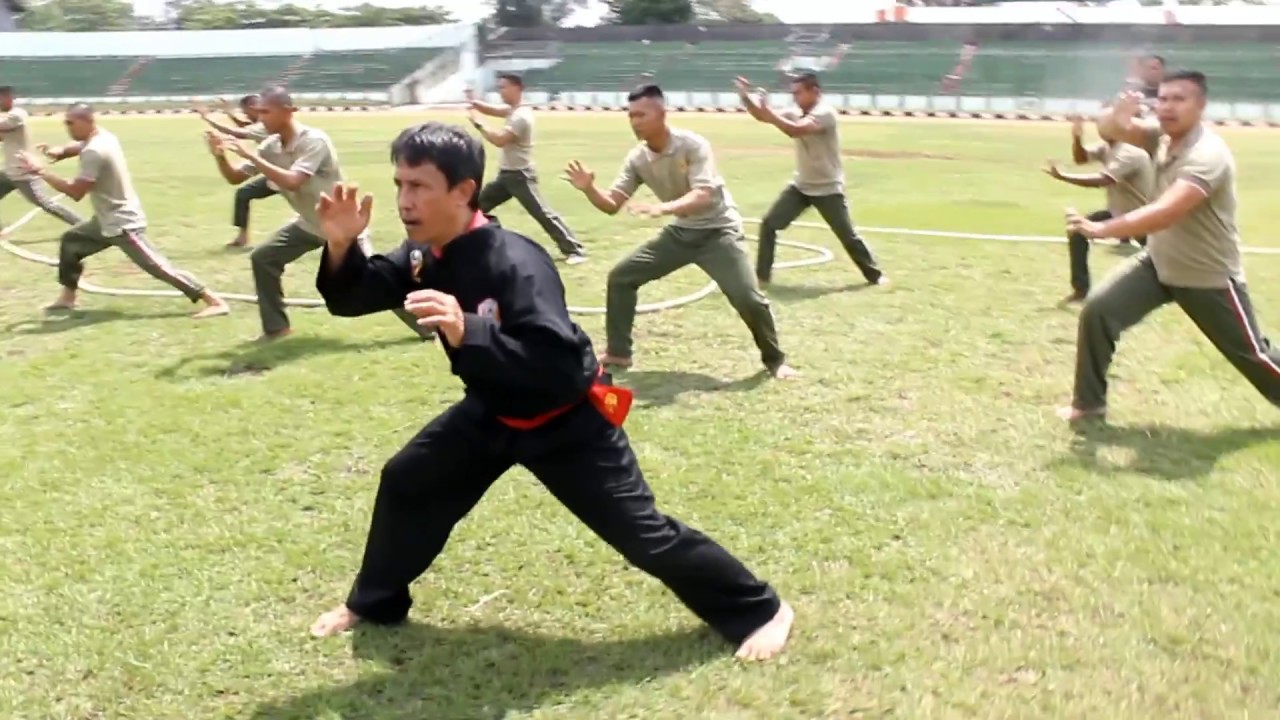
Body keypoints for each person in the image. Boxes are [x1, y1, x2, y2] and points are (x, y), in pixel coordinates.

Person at [308, 121, 795, 662]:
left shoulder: (516, 261)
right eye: (399, 184)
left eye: (418, 186)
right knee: (407, 481)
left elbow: (557, 368)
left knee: (645, 536)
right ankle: (375, 602)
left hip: (566, 422)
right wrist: (341, 244)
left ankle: (760, 609)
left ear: (464, 191)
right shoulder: (423, 255)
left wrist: (470, 329)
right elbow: (352, 297)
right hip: (493, 411)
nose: (404, 201)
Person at [1059, 72, 1280, 422]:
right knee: (1098, 312)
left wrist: (1101, 228)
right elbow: (1112, 131)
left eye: (1179, 99)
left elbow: (1165, 213)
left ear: (1201, 105)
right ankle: (1088, 406)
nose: (1167, 107)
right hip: (1158, 264)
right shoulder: (1160, 137)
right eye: (1162, 99)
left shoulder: (1208, 154)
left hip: (1206, 275)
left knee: (1255, 356)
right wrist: (1119, 113)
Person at [563, 84, 797, 379]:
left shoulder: (692, 144)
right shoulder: (638, 158)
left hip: (718, 232)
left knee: (748, 298)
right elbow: (611, 205)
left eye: (641, 115)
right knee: (621, 277)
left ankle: (776, 361)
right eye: (631, 116)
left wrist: (663, 209)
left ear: (662, 114)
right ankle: (618, 353)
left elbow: (704, 195)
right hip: (682, 233)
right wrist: (589, 189)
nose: (635, 122)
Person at [205, 87, 429, 341]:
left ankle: (429, 326)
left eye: (266, 112)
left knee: (376, 279)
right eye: (258, 112)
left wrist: (251, 156)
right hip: (310, 224)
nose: (260, 118)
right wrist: (220, 157)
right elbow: (235, 178)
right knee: (263, 258)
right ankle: (277, 328)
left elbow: (293, 181)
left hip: (343, 226)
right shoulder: (270, 146)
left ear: (288, 111)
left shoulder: (313, 141)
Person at [18, 103, 228, 318]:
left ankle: (213, 300)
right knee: (71, 242)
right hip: (104, 220)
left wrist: (41, 171)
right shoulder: (103, 136)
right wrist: (62, 152)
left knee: (157, 267)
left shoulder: (94, 151)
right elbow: (81, 146)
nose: (67, 127)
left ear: (87, 121)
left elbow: (76, 192)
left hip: (122, 223)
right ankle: (68, 298)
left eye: (71, 123)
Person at [734, 72, 888, 288]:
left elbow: (795, 130)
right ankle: (762, 277)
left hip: (827, 188)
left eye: (798, 93)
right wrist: (745, 96)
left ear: (814, 91)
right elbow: (762, 116)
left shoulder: (825, 113)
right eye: (793, 93)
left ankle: (875, 276)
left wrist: (768, 111)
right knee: (769, 224)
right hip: (801, 186)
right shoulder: (796, 112)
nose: (794, 97)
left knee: (847, 235)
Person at [467, 74, 586, 264]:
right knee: (475, 207)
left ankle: (575, 250)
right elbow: (495, 110)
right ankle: (465, 242)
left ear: (517, 88)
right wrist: (475, 103)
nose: (500, 92)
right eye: (499, 87)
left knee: (543, 214)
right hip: (507, 176)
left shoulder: (521, 117)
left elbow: (500, 140)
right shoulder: (514, 110)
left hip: (519, 176)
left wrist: (478, 122)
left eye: (504, 87)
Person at [1044, 108, 1154, 302]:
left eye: (1103, 121)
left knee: (1162, 260)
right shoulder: (1108, 147)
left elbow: (1104, 179)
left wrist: (1063, 177)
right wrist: (1077, 137)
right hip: (1118, 212)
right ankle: (1081, 290)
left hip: (1141, 216)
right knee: (1078, 233)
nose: (1099, 124)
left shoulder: (1130, 152)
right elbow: (1081, 158)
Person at [195, 93, 277, 249]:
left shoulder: (265, 126)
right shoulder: (264, 129)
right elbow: (244, 125)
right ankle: (242, 238)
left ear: (254, 108)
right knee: (244, 193)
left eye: (245, 112)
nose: (244, 116)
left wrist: (207, 118)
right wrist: (229, 112)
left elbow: (238, 131)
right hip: (274, 169)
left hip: (296, 174)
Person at [0, 85, 83, 230]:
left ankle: (83, 226)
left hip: (24, 172)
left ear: (9, 98)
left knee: (47, 205)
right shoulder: (6, 115)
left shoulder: (17, 114)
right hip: (9, 171)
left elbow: (3, 126)